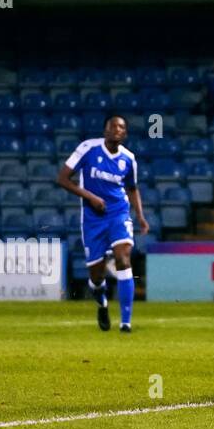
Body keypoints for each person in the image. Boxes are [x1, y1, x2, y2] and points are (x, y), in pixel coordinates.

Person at [56, 114, 147, 332]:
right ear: (105, 130)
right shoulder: (88, 148)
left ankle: (126, 323)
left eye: (121, 127)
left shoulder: (128, 159)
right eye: (113, 126)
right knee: (96, 276)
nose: (117, 129)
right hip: (92, 218)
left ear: (125, 134)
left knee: (123, 259)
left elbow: (132, 189)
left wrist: (140, 216)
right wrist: (90, 197)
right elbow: (62, 179)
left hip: (118, 213)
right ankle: (102, 303)